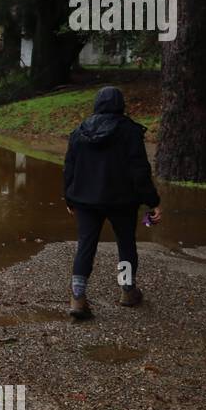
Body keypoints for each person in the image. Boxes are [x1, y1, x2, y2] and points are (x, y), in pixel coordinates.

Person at [62, 85, 161, 320]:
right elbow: (139, 170)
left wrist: (68, 196)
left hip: (85, 200)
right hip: (122, 201)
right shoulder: (130, 131)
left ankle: (78, 297)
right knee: (125, 244)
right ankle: (127, 291)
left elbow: (70, 168)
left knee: (86, 245)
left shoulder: (79, 132)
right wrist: (152, 201)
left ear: (97, 104)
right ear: (121, 104)